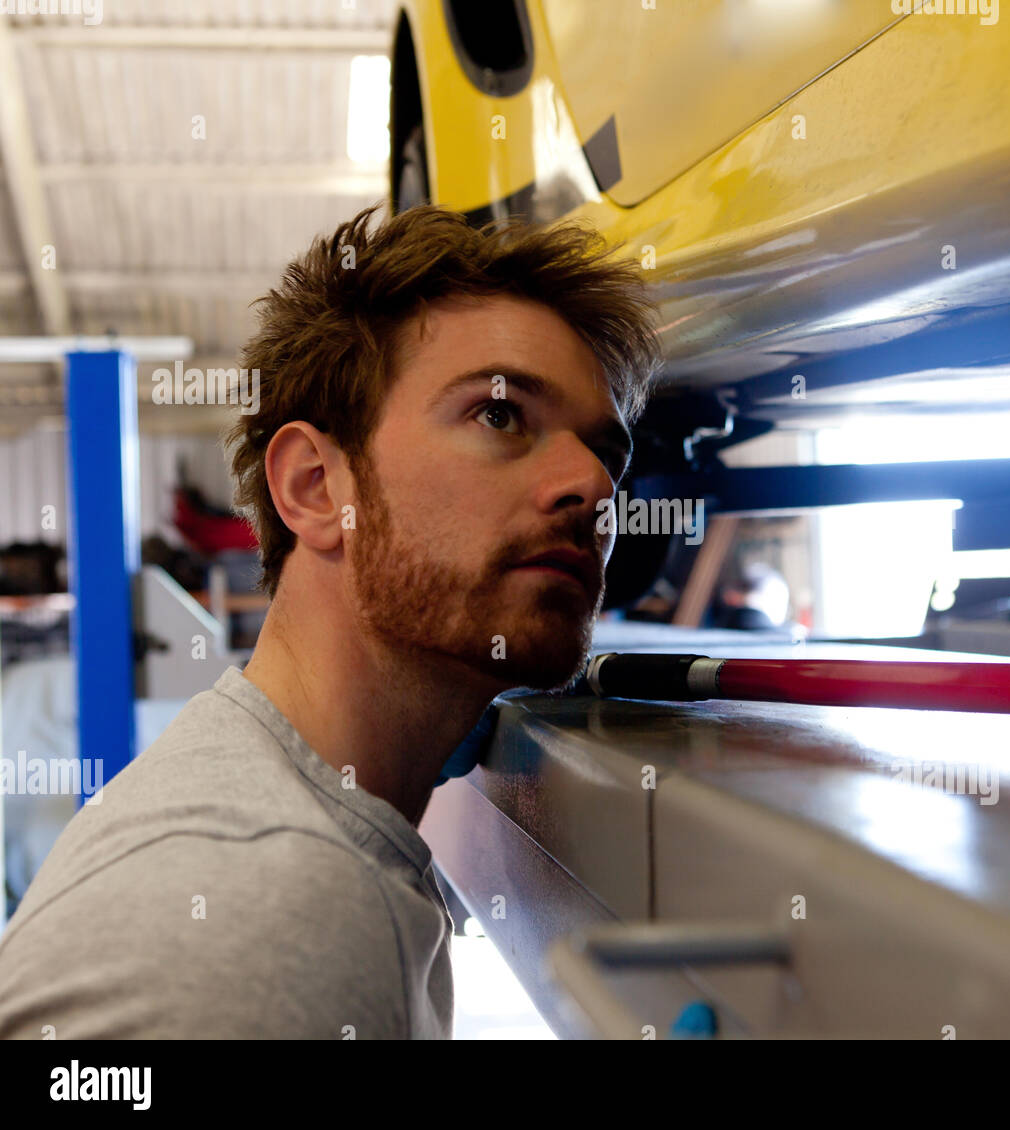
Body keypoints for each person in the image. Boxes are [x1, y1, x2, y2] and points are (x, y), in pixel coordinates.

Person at [0, 204, 662, 1039]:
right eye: (499, 414)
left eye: (606, 453)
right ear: (314, 488)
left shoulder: (307, 836)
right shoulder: (263, 919)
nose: (592, 486)